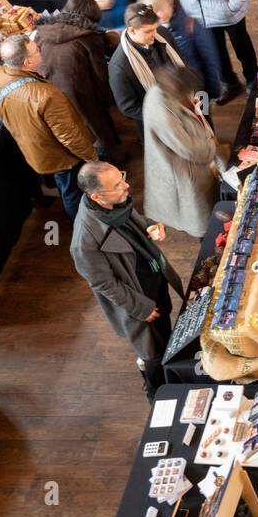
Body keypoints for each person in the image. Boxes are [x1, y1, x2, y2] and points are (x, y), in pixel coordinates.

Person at [71, 162, 183, 399]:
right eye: (117, 185)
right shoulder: (84, 240)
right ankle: (158, 394)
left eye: (121, 177)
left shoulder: (115, 205)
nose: (126, 185)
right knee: (152, 351)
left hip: (152, 281)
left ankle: (170, 373)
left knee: (165, 336)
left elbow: (137, 224)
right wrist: (139, 307)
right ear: (97, 196)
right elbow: (103, 283)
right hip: (137, 299)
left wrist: (152, 227)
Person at [0, 34, 97, 219]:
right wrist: (91, 156)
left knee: (62, 184)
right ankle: (81, 227)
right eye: (37, 50)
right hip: (60, 155)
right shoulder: (46, 95)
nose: (40, 51)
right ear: (28, 62)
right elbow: (68, 136)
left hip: (32, 148)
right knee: (72, 192)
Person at [33, 0, 120, 155]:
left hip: (51, 88)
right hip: (81, 90)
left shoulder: (44, 31)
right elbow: (99, 73)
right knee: (96, 124)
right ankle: (105, 157)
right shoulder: (89, 37)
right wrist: (108, 98)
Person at [142, 66, 221, 239]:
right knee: (201, 217)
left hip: (195, 165)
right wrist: (211, 146)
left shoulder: (170, 90)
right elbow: (187, 148)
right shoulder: (161, 109)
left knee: (210, 203)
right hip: (183, 170)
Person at [135, 0, 222, 102]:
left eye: (158, 12)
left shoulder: (191, 22)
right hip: (172, 93)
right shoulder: (151, 30)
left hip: (198, 87)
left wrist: (212, 91)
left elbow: (210, 58)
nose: (155, 19)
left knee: (203, 116)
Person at [107, 2, 184, 126]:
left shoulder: (161, 32)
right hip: (156, 123)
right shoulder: (119, 67)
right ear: (132, 30)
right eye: (148, 31)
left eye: (155, 28)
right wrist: (163, 115)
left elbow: (180, 60)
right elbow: (129, 108)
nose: (155, 34)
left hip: (181, 104)